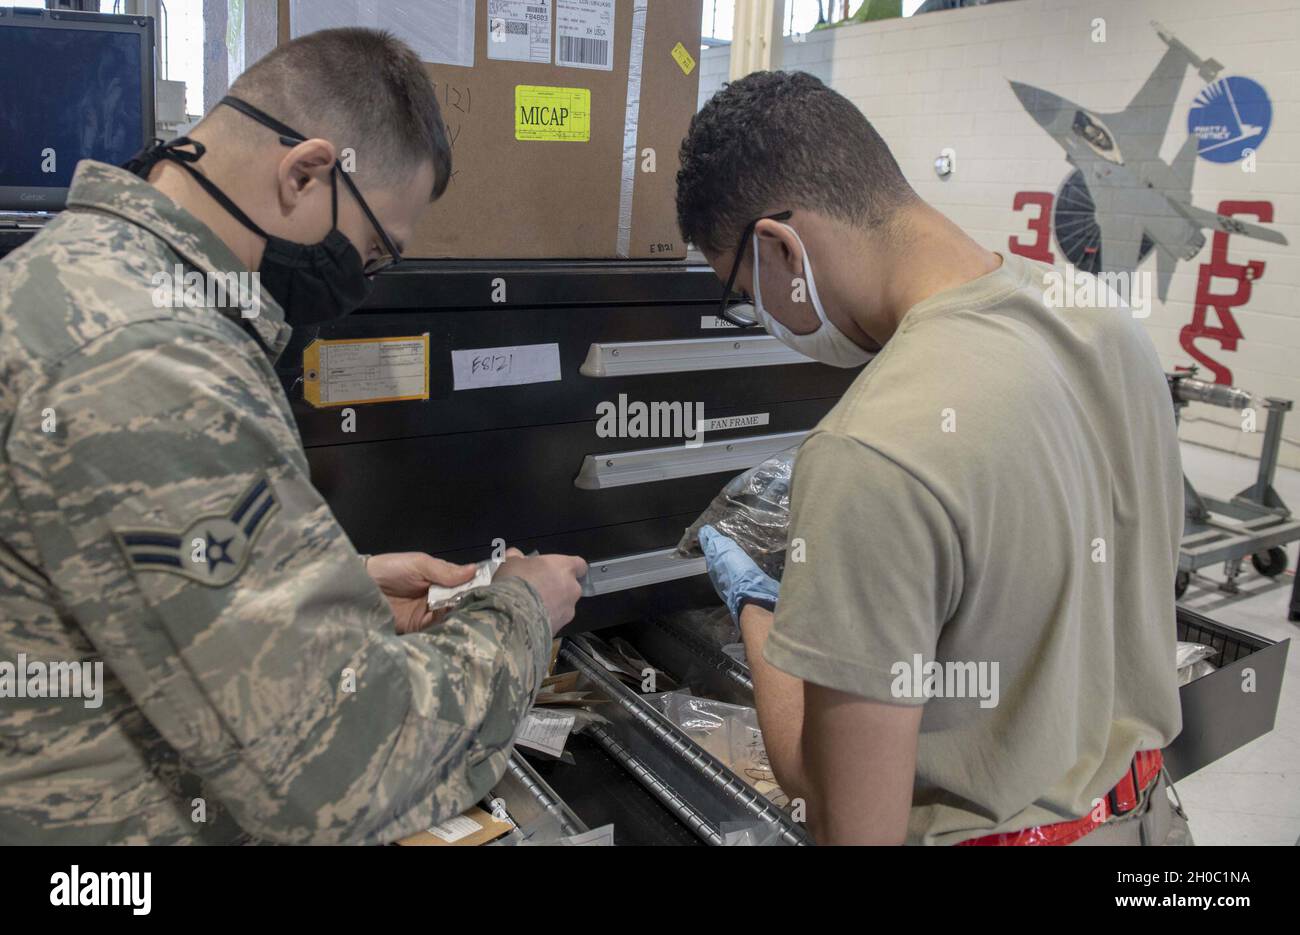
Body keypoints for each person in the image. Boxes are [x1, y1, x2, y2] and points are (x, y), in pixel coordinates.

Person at [0, 28, 585, 844]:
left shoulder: (80, 274)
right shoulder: (156, 356)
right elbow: (341, 766)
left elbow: (121, 570)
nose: (363, 280)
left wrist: (327, 579)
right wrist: (522, 609)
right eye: (374, 251)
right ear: (306, 171)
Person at [676, 71, 1185, 845]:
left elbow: (841, 808)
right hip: (1151, 821)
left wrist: (758, 602)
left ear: (780, 247)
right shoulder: (1106, 324)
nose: (760, 317)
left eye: (744, 291)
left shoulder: (869, 450)